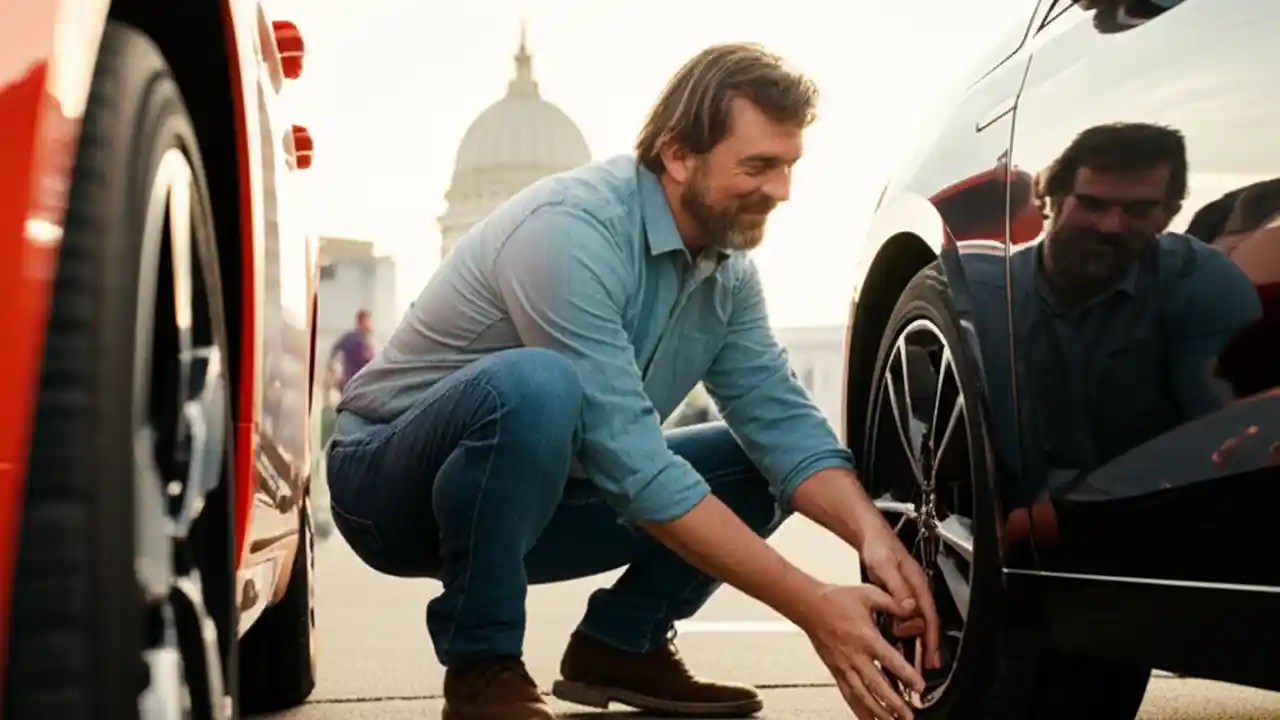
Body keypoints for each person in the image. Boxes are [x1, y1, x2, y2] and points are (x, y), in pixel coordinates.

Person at [327, 43, 939, 720]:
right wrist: (813, 606)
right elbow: (634, 467)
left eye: (789, 166)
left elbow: (784, 425)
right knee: (538, 386)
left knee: (758, 464)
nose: (782, 190)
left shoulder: (727, 273)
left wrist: (872, 537)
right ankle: (483, 669)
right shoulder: (569, 232)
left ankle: (623, 644)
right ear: (679, 156)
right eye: (758, 165)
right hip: (389, 488)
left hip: (544, 493)